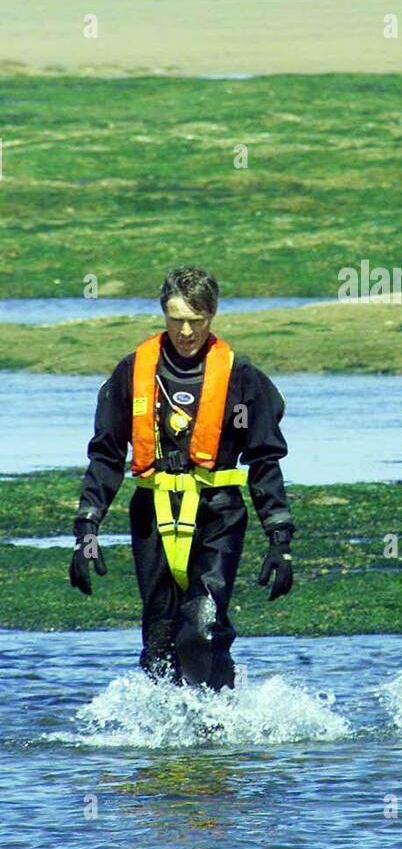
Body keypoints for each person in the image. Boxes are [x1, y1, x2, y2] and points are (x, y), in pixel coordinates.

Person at [69, 266, 295, 690]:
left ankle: (217, 731)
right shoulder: (132, 373)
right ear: (162, 313)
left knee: (203, 627)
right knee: (159, 641)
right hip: (152, 515)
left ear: (213, 315)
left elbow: (265, 461)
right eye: (176, 319)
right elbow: (106, 454)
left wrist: (279, 539)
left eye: (197, 319)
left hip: (218, 514)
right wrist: (87, 527)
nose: (186, 331)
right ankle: (168, 748)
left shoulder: (242, 378)